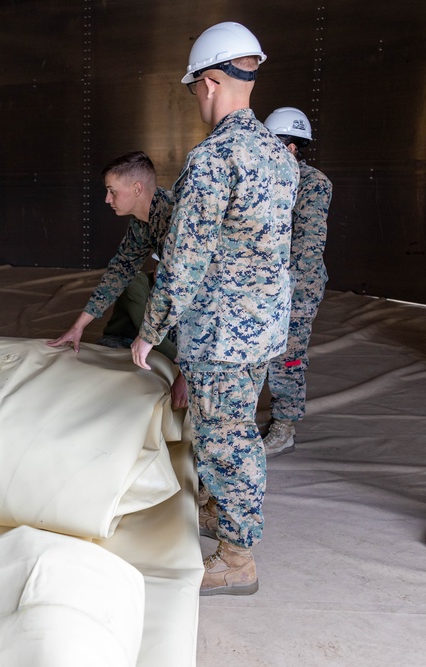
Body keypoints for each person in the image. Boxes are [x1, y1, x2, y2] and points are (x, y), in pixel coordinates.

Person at [129, 21, 299, 596]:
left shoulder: (213, 160)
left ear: (208, 84)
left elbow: (184, 258)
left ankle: (237, 558)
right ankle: (217, 512)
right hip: (262, 330)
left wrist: (150, 333)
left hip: (223, 334)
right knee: (232, 431)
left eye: (193, 91)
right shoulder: (280, 157)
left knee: (226, 442)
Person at [47, 151, 186, 408]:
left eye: (112, 191)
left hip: (218, 313)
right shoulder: (143, 221)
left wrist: (188, 370)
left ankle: (181, 359)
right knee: (133, 282)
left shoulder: (177, 217)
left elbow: (198, 292)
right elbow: (119, 271)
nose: (107, 199)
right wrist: (79, 326)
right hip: (183, 296)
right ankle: (127, 339)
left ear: (136, 188)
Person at [260, 107, 332, 457]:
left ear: (291, 148)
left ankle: (285, 427)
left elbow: (307, 247)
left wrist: (281, 294)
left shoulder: (313, 183)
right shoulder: (267, 181)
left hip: (297, 289)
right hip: (267, 285)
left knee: (288, 355)